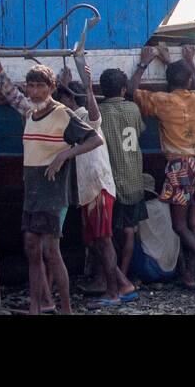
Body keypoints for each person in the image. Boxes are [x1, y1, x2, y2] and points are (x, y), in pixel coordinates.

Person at [0, 45, 105, 314]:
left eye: (40, 86)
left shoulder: (63, 113)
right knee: (31, 248)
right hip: (33, 191)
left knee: (51, 250)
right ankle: (35, 306)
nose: (34, 91)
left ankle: (66, 308)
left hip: (53, 191)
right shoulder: (30, 111)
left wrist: (64, 154)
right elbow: (10, 93)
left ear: (51, 87)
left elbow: (94, 139)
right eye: (31, 86)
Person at [128, 45, 195, 288]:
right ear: (188, 79)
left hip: (179, 164)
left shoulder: (161, 100)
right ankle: (191, 273)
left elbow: (131, 91)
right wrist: (188, 61)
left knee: (178, 224)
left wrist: (143, 62)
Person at [58, 58, 136, 307]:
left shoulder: (84, 118)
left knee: (103, 240)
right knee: (95, 241)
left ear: (70, 100)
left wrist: (88, 88)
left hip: (98, 188)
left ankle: (113, 292)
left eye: (62, 99)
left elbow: (92, 114)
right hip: (90, 189)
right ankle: (122, 283)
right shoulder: (74, 117)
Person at [96, 67, 146, 293]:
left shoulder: (99, 113)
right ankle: (123, 275)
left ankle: (110, 278)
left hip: (112, 183)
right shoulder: (134, 108)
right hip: (134, 179)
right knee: (128, 231)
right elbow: (140, 131)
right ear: (124, 89)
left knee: (107, 236)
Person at [129, 174, 180, 284]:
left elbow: (136, 236)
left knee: (129, 236)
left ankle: (130, 277)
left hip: (152, 270)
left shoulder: (142, 210)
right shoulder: (164, 204)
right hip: (171, 270)